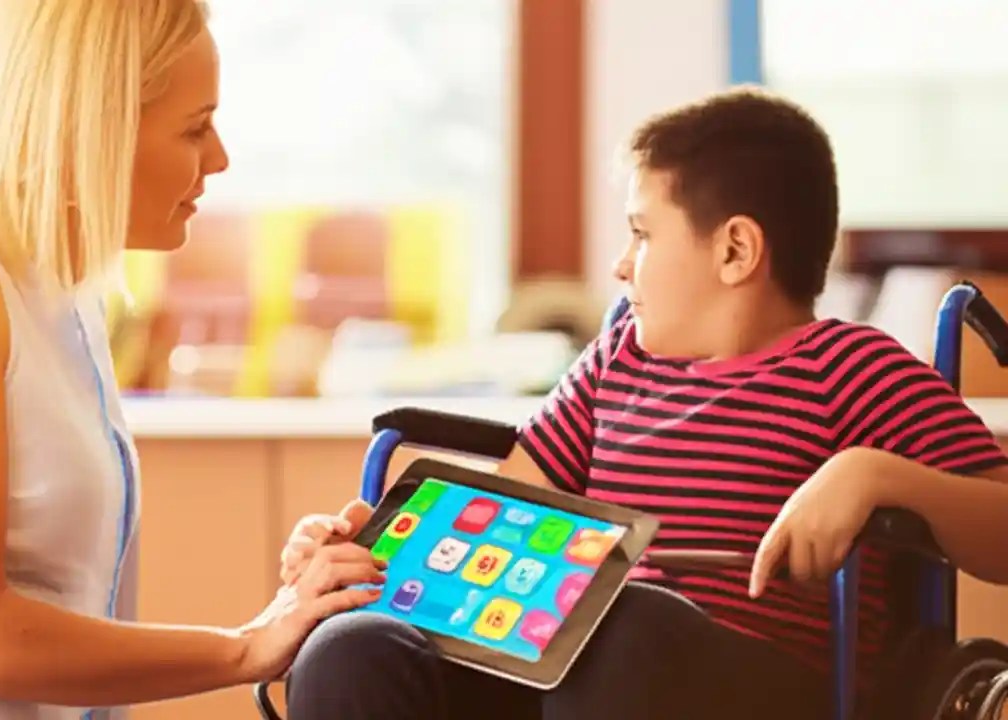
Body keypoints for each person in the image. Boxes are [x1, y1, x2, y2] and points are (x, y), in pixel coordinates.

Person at [279, 87, 1008, 719]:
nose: (620, 264)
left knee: (618, 623)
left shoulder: (851, 367)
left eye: (641, 233)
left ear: (735, 252)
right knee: (352, 644)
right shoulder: (616, 359)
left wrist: (873, 473)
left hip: (751, 683)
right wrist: (373, 555)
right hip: (567, 667)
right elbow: (506, 512)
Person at [0, 2, 385, 718]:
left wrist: (305, 593)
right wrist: (248, 644)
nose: (219, 158)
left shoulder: (68, 303)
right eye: (194, 127)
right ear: (93, 128)